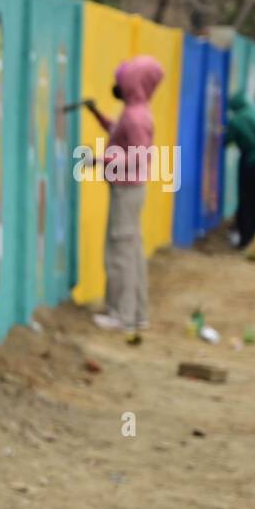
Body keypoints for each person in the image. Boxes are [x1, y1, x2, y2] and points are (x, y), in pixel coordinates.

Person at [84, 55, 164, 340]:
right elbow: (121, 136)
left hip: (127, 190)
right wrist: (98, 115)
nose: (116, 86)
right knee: (131, 250)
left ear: (134, 84)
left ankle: (122, 315)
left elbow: (137, 155)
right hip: (130, 189)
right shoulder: (135, 111)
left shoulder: (135, 116)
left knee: (120, 251)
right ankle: (137, 314)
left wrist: (99, 159)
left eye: (122, 82)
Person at [224, 90, 255, 248]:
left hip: (248, 161)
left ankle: (245, 239)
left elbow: (227, 140)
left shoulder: (237, 119)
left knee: (246, 200)